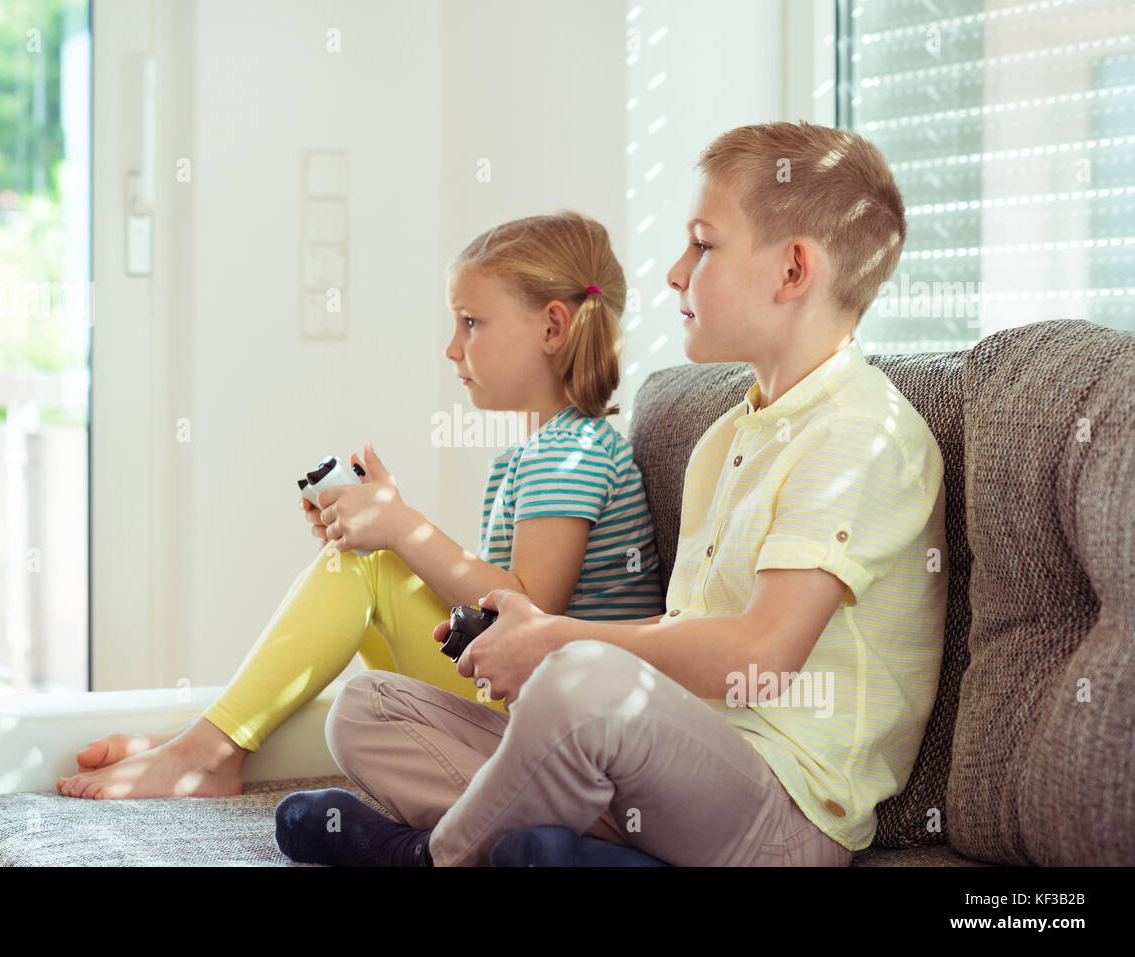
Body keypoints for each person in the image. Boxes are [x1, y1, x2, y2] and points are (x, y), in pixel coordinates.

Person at [274, 121, 950, 867]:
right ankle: (565, 850)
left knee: (584, 676)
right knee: (369, 711)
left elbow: (762, 651)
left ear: (793, 271)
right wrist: (533, 638)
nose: (671, 272)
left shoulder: (861, 434)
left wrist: (557, 640)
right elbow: (686, 636)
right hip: (670, 772)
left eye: (702, 244)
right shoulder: (727, 436)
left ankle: (430, 856)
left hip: (781, 811)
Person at [57, 210, 664, 804]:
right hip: (533, 693)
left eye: (471, 322)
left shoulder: (568, 456)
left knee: (370, 567)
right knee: (369, 562)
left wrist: (403, 531)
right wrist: (388, 528)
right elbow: (494, 598)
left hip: (550, 711)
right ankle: (203, 742)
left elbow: (528, 611)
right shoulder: (549, 448)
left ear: (552, 329)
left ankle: (205, 753)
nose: (452, 348)